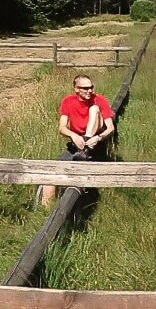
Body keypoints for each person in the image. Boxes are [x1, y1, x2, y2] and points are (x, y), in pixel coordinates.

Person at [38, 75, 115, 209]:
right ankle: (46, 211)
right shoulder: (68, 101)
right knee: (51, 175)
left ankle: (86, 147)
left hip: (95, 144)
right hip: (76, 145)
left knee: (94, 109)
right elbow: (62, 127)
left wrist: (98, 138)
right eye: (85, 88)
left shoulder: (99, 100)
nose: (89, 91)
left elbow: (110, 128)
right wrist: (73, 135)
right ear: (76, 89)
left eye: (91, 87)